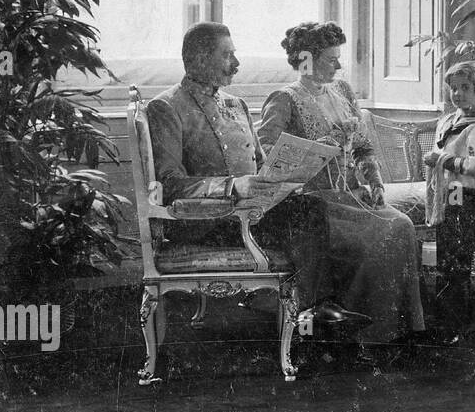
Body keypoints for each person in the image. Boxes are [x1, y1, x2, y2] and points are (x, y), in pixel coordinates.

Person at [146, 22, 354, 328]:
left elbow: (261, 162)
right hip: (205, 221)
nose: (237, 63)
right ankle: (313, 312)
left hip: (249, 214)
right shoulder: (166, 106)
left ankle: (314, 311)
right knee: (307, 215)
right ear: (200, 59)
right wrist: (235, 185)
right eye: (227, 55)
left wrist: (291, 170)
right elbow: (170, 183)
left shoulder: (236, 103)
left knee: (310, 205)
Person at [259, 22, 431, 361]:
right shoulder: (284, 99)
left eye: (339, 58)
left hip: (353, 196)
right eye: (330, 59)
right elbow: (271, 158)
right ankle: (359, 338)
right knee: (378, 237)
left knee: (401, 226)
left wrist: (375, 182)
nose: (338, 66)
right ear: (305, 59)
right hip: (312, 204)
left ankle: (392, 333)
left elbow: (364, 148)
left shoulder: (343, 92)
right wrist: (327, 142)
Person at [423, 61, 475, 333]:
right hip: (448, 196)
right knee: (446, 258)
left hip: (467, 196)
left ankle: (454, 323)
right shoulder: (451, 119)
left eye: (465, 88)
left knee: (458, 260)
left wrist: (441, 159)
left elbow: (474, 165)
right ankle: (444, 319)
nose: (457, 94)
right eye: (453, 88)